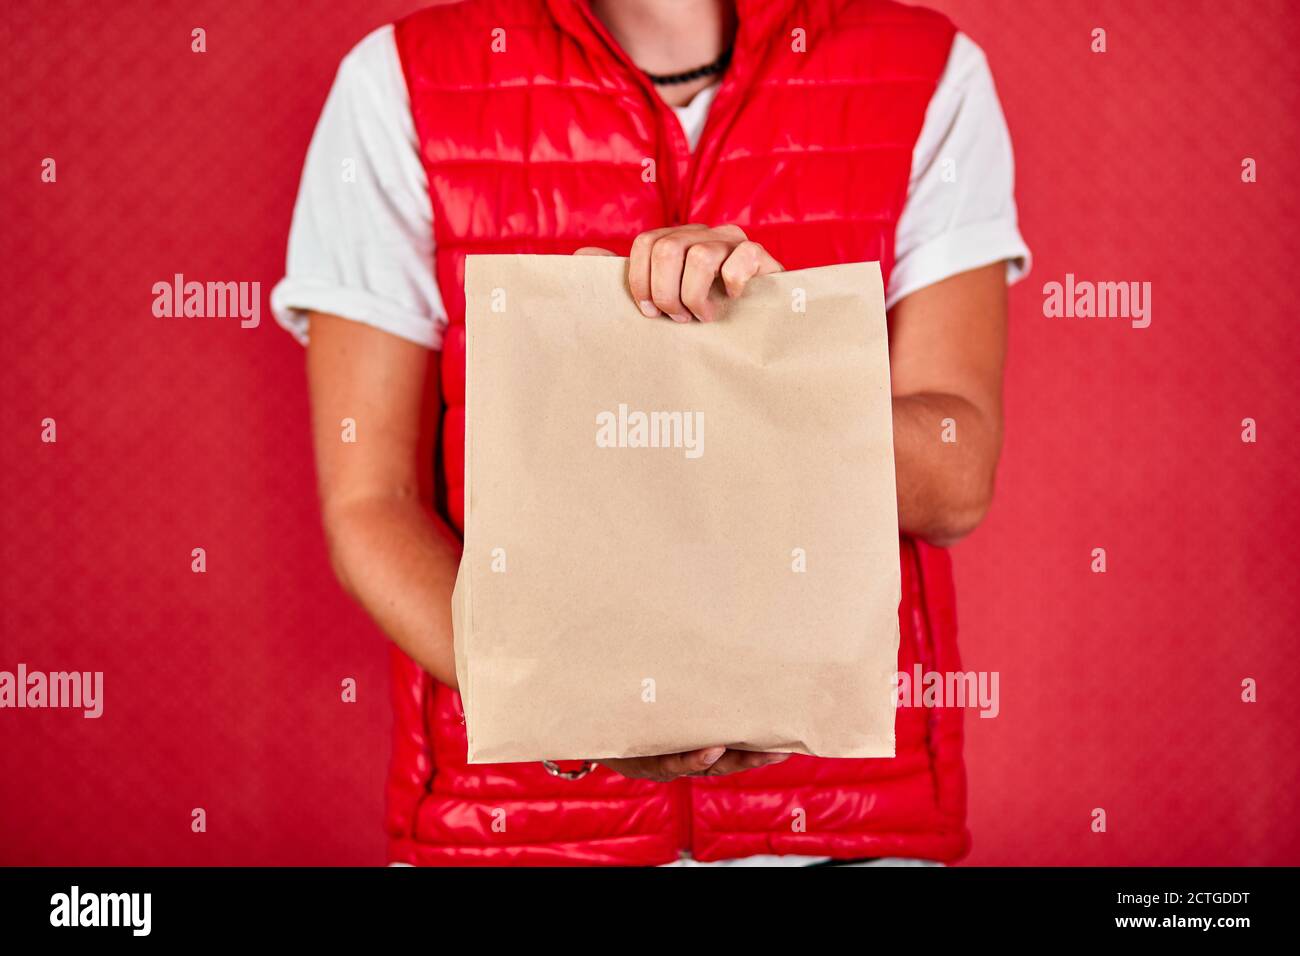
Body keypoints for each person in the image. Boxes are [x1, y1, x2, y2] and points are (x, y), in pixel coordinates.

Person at [271, 0, 1030, 866]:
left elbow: (956, 476)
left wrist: (765, 364)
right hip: (514, 836)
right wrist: (568, 703)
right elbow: (374, 503)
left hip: (843, 826)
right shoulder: (397, 80)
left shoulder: (927, 70)